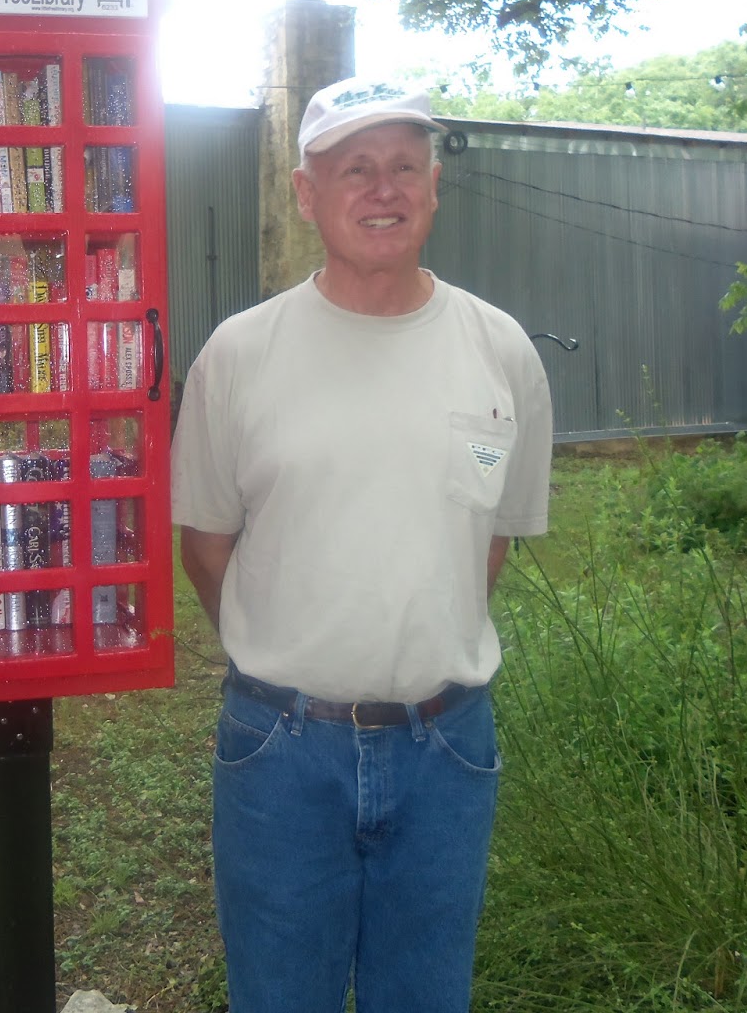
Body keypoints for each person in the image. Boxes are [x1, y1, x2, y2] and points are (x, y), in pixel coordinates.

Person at [171, 79, 553, 1012]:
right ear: (306, 193)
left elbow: (486, 547)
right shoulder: (240, 355)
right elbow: (206, 546)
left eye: (405, 167)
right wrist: (294, 651)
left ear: (434, 187)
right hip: (280, 756)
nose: (384, 189)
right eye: (355, 169)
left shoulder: (501, 351)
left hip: (447, 752)